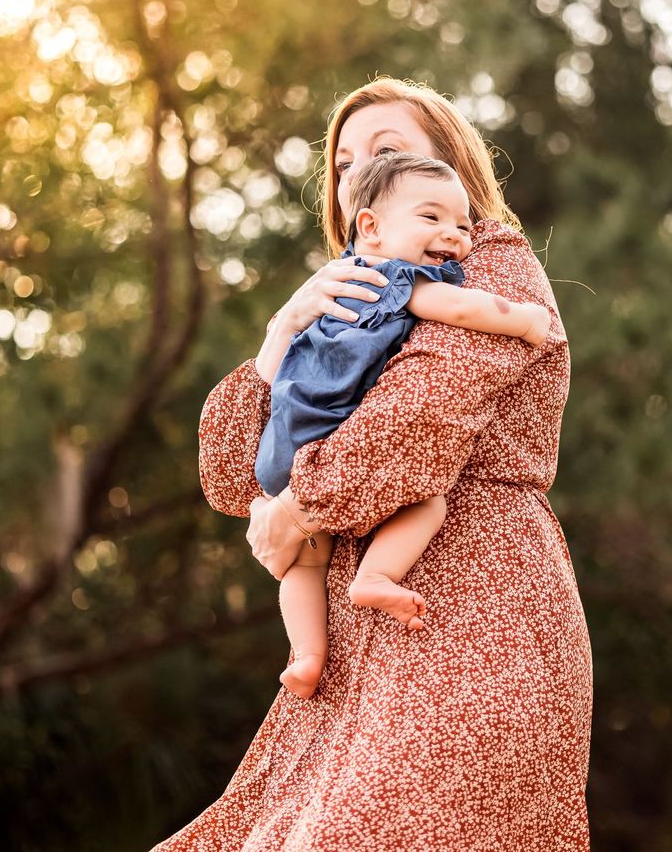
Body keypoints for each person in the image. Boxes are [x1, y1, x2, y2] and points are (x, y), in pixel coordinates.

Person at [150, 77, 591, 851]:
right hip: (357, 647)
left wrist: (300, 507)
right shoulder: (349, 303)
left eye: (386, 151)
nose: (358, 170)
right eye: (344, 163)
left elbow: (420, 416)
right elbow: (229, 477)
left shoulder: (485, 262)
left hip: (472, 605)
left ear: (451, 171)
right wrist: (286, 325)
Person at [249, 150, 552, 699]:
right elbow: (461, 310)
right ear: (372, 228)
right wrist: (527, 319)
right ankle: (375, 576)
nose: (454, 237)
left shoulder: (333, 287)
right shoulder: (395, 277)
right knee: (427, 501)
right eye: (431, 218)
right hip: (334, 436)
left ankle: (307, 653)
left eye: (462, 225)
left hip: (282, 450)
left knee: (304, 563)